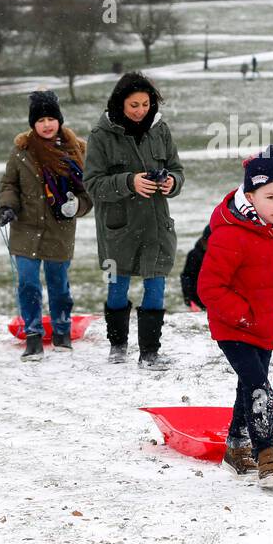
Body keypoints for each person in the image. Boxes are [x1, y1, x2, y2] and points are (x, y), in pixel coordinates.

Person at [198, 146, 273, 492]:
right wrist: (244, 316)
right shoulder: (231, 233)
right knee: (260, 388)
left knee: (250, 384)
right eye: (270, 196)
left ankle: (236, 446)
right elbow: (209, 286)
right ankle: (268, 455)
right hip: (233, 327)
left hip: (265, 325)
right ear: (249, 195)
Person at [83, 72, 185, 368]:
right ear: (119, 105)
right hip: (119, 228)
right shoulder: (101, 136)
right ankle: (118, 345)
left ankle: (149, 353)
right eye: (134, 105)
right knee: (117, 287)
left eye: (145, 103)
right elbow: (93, 184)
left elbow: (177, 170)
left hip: (156, 226)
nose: (141, 111)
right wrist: (129, 183)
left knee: (155, 286)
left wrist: (172, 183)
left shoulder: (160, 129)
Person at [0, 90, 93, 361]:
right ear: (33, 124)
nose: (47, 124)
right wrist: (7, 207)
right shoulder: (21, 152)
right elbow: (9, 184)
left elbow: (88, 193)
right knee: (27, 283)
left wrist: (78, 206)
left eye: (52, 118)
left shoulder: (74, 152)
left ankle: (62, 331)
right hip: (25, 229)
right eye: (41, 120)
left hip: (59, 231)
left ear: (59, 121)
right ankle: (33, 335)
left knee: (58, 284)